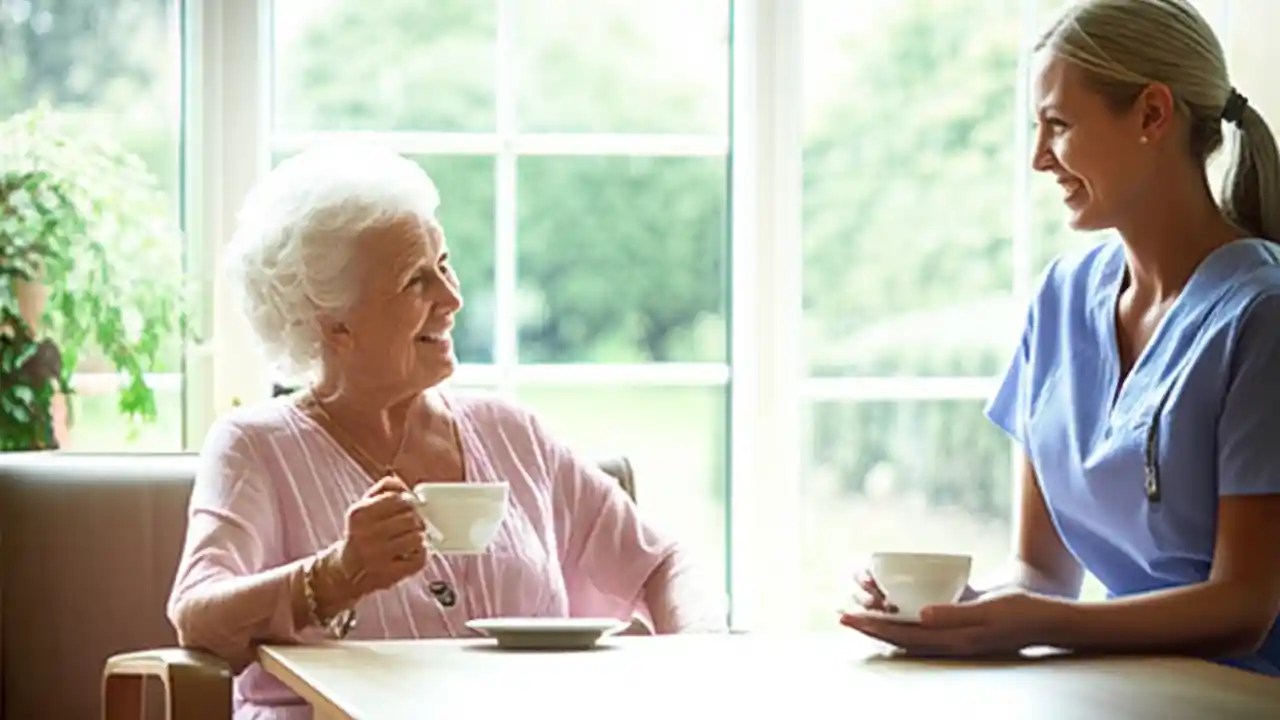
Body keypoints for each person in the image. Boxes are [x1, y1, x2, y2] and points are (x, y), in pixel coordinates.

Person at [167, 144, 723, 718]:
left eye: (445, 265)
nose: (452, 298)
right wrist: (334, 575)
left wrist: (700, 655)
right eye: (415, 282)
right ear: (335, 325)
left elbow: (662, 563)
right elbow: (198, 617)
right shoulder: (256, 447)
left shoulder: (510, 433)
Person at [841, 0, 1280, 675]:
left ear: (1152, 115)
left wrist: (1038, 625)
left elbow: (1244, 607)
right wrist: (955, 609)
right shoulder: (1061, 300)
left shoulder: (1261, 316)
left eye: (1058, 125)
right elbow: (1042, 571)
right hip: (1111, 688)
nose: (1039, 158)